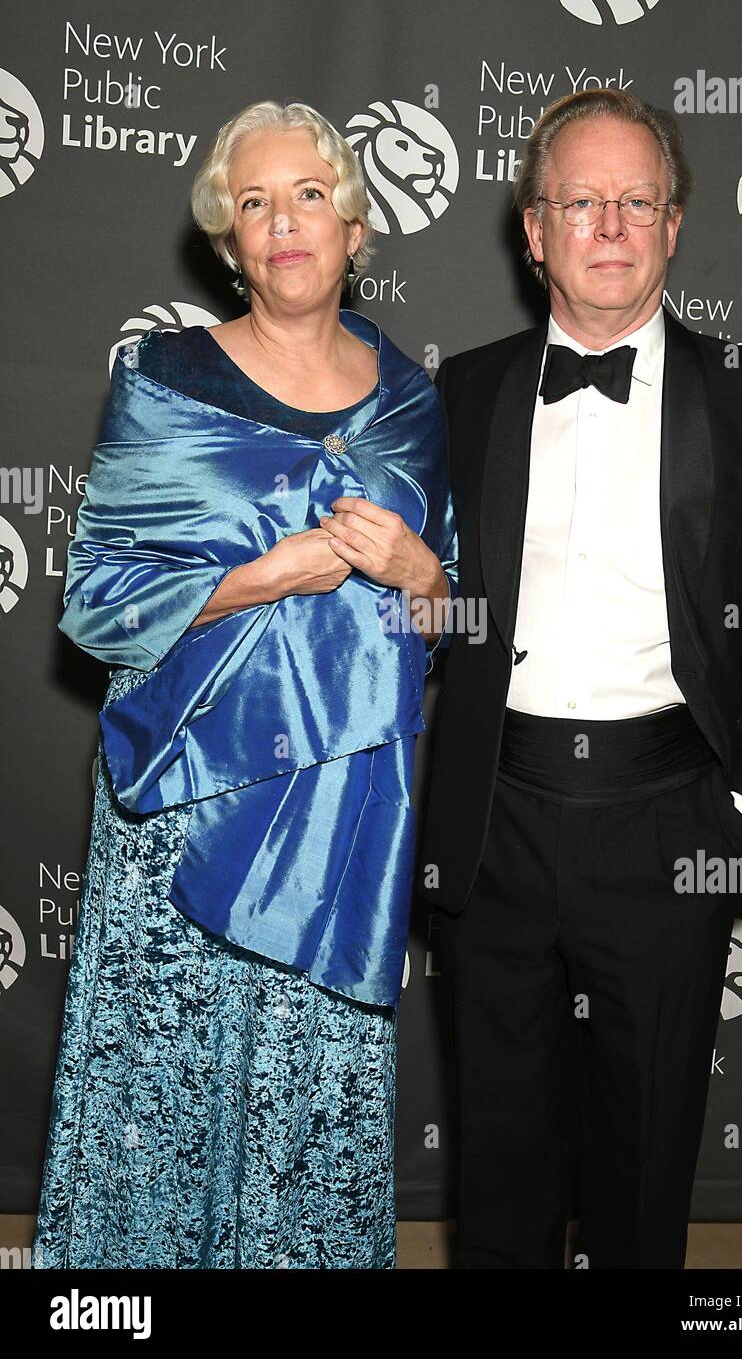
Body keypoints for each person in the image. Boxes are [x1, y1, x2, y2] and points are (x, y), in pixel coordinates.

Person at [31, 100, 457, 1270]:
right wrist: (269, 572)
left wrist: (416, 566)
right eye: (255, 203)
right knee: (157, 1097)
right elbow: (101, 598)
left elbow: (450, 611)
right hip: (181, 810)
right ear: (227, 240)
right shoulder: (161, 379)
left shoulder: (413, 403)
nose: (284, 224)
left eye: (309, 196)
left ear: (355, 229)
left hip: (339, 818)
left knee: (303, 1110)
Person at [417, 87, 742, 1269]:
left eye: (636, 200)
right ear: (533, 229)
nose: (609, 225)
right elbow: (423, 608)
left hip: (669, 822)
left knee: (642, 1182)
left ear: (675, 221)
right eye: (579, 202)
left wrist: (738, 806)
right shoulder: (461, 393)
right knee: (497, 1182)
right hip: (494, 825)